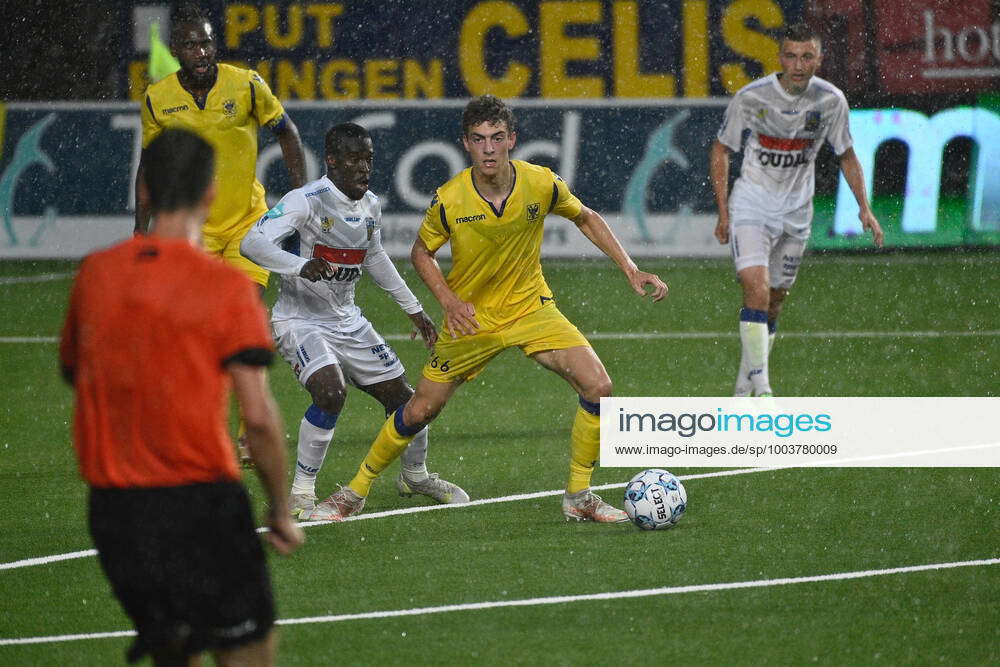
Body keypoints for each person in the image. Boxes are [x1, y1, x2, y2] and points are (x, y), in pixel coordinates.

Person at [307, 95, 668, 523]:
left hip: (531, 309)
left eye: (497, 138)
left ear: (512, 139)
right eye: (479, 140)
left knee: (599, 388)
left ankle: (578, 495)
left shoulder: (541, 183)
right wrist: (448, 301)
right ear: (466, 144)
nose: (489, 148)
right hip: (470, 320)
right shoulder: (451, 199)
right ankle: (355, 490)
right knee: (420, 409)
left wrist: (630, 268)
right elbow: (421, 252)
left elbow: (585, 216)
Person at [60, 129, 304, 665]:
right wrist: (281, 509)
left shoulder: (94, 276)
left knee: (173, 651)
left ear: (142, 190)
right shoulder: (226, 289)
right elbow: (258, 419)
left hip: (117, 513)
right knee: (245, 649)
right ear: (212, 193)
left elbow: (79, 375)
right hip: (201, 505)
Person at [241, 122, 469, 519]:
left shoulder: (370, 205)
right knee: (330, 393)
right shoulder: (306, 200)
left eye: (369, 159)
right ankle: (301, 491)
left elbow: (376, 257)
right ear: (331, 161)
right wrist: (298, 265)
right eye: (354, 159)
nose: (364, 168)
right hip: (300, 320)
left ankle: (415, 476)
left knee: (408, 401)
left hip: (348, 320)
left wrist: (413, 309)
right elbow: (251, 242)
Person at [135, 3, 306, 463]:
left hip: (249, 225)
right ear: (176, 50)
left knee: (243, 323)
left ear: (216, 45)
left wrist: (300, 203)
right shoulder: (158, 97)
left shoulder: (246, 84)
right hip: (193, 232)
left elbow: (287, 134)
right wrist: (140, 232)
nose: (201, 51)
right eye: (191, 44)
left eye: (207, 42)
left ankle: (249, 431)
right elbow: (149, 166)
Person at [710, 22, 883, 397]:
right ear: (780, 58)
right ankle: (766, 391)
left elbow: (847, 154)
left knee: (773, 303)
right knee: (755, 291)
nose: (798, 64)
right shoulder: (752, 97)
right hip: (752, 204)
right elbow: (721, 148)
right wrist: (724, 212)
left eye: (807, 56)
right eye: (791, 55)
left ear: (819, 59)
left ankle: (744, 390)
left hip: (796, 213)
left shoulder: (831, 101)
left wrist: (864, 208)